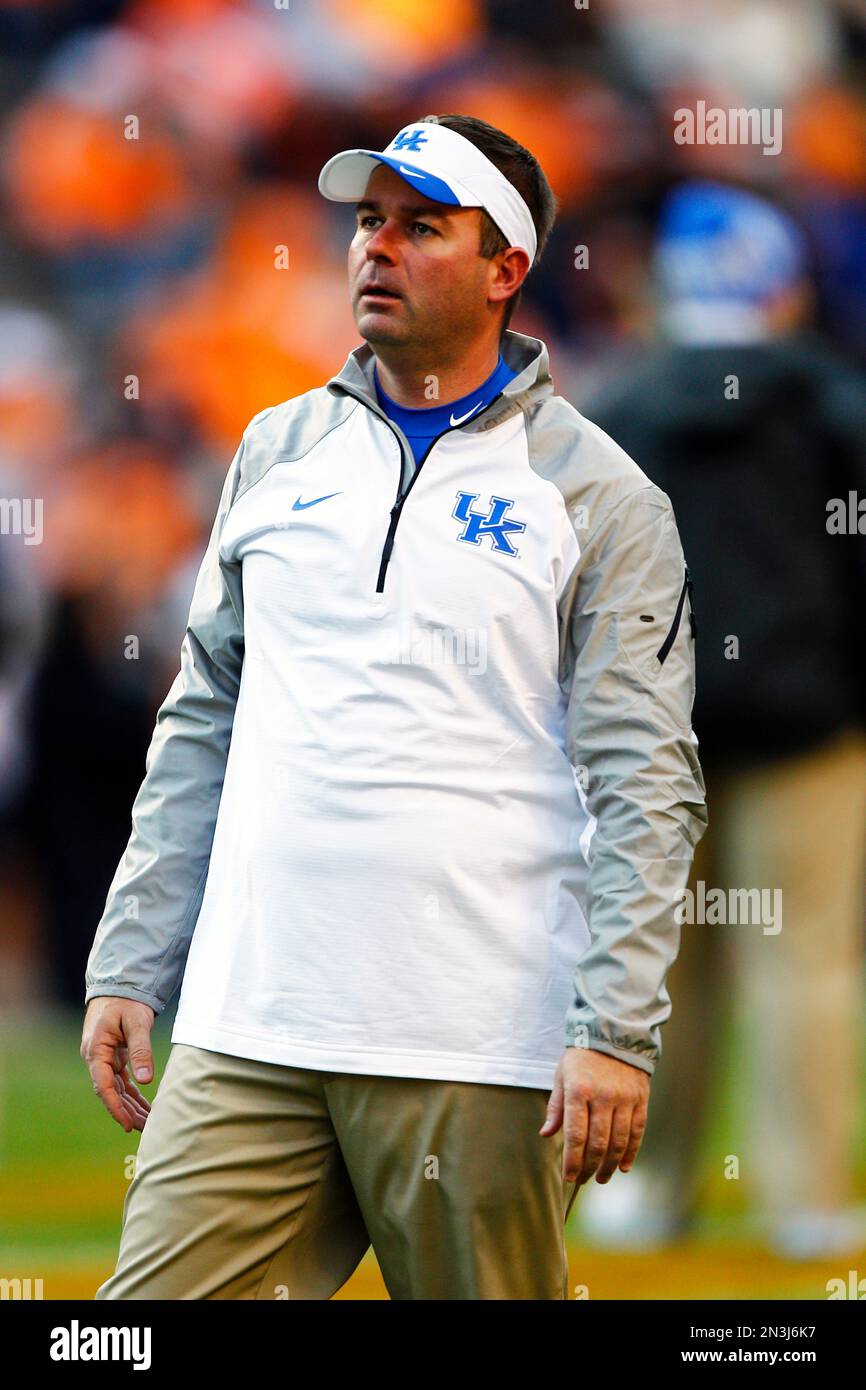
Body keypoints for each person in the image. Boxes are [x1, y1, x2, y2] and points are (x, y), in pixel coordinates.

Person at [81, 113, 707, 1300]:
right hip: (249, 1021)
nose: (375, 247)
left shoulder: (600, 496)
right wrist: (135, 955)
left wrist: (614, 1028)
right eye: (367, 221)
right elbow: (202, 715)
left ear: (503, 270)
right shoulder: (275, 451)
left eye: (421, 226)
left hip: (475, 1042)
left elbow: (646, 780)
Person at [579, 181, 866, 1258]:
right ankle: (803, 1202)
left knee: (653, 964)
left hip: (656, 732)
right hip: (809, 724)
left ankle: (645, 1190)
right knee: (805, 964)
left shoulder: (615, 407)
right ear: (780, 285)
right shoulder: (834, 403)